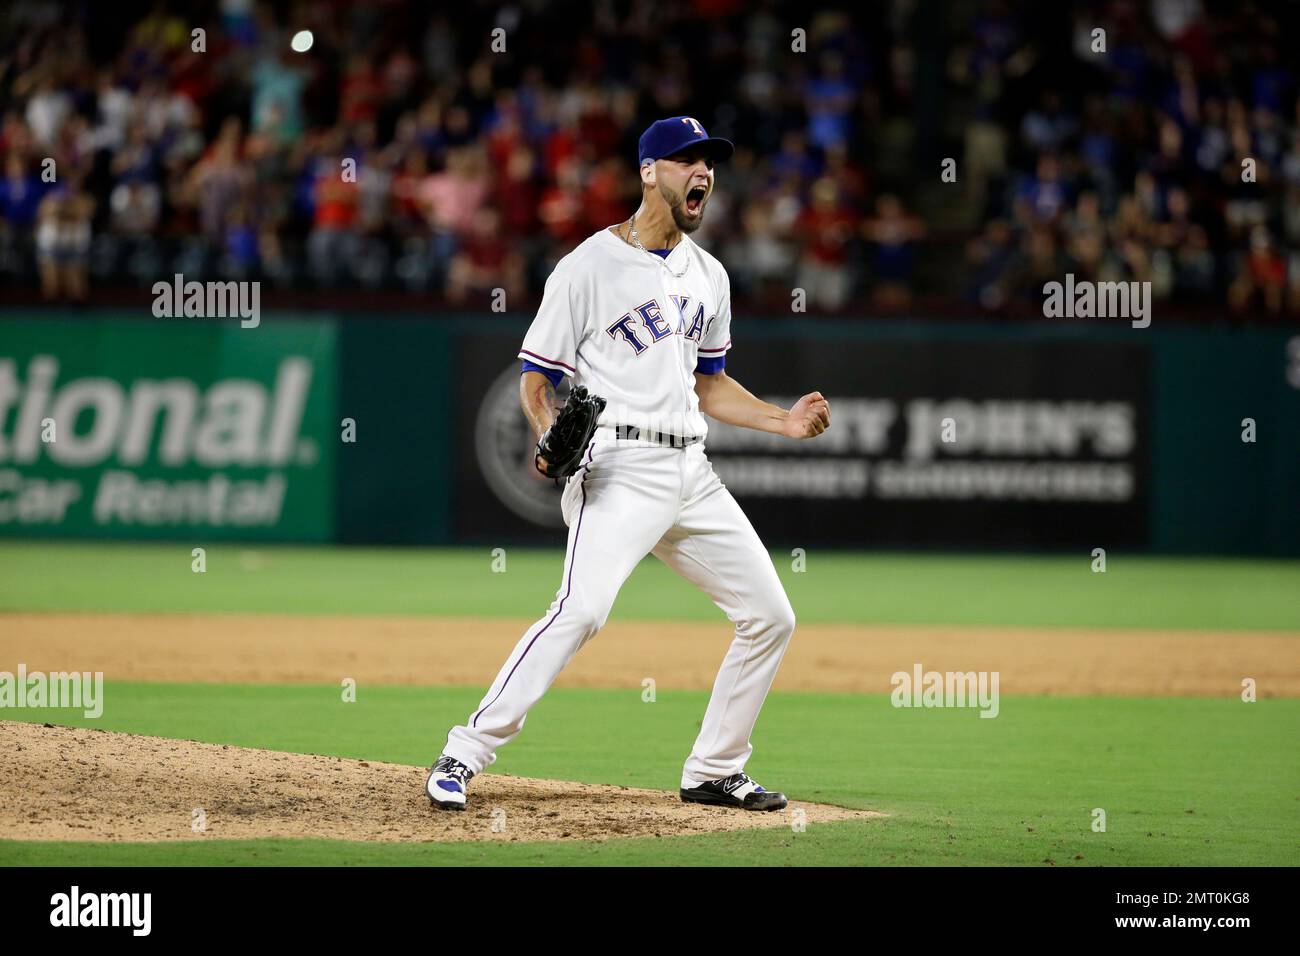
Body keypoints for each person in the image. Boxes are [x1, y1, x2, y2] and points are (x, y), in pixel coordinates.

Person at [427, 117, 831, 812]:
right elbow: (534, 379)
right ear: (649, 172)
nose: (702, 173)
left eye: (709, 163)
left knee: (771, 615)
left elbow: (708, 383)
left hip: (691, 472)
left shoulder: (710, 275)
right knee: (581, 609)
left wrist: (780, 420)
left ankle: (714, 768)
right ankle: (464, 751)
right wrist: (550, 431)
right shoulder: (587, 266)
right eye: (686, 161)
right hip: (620, 466)